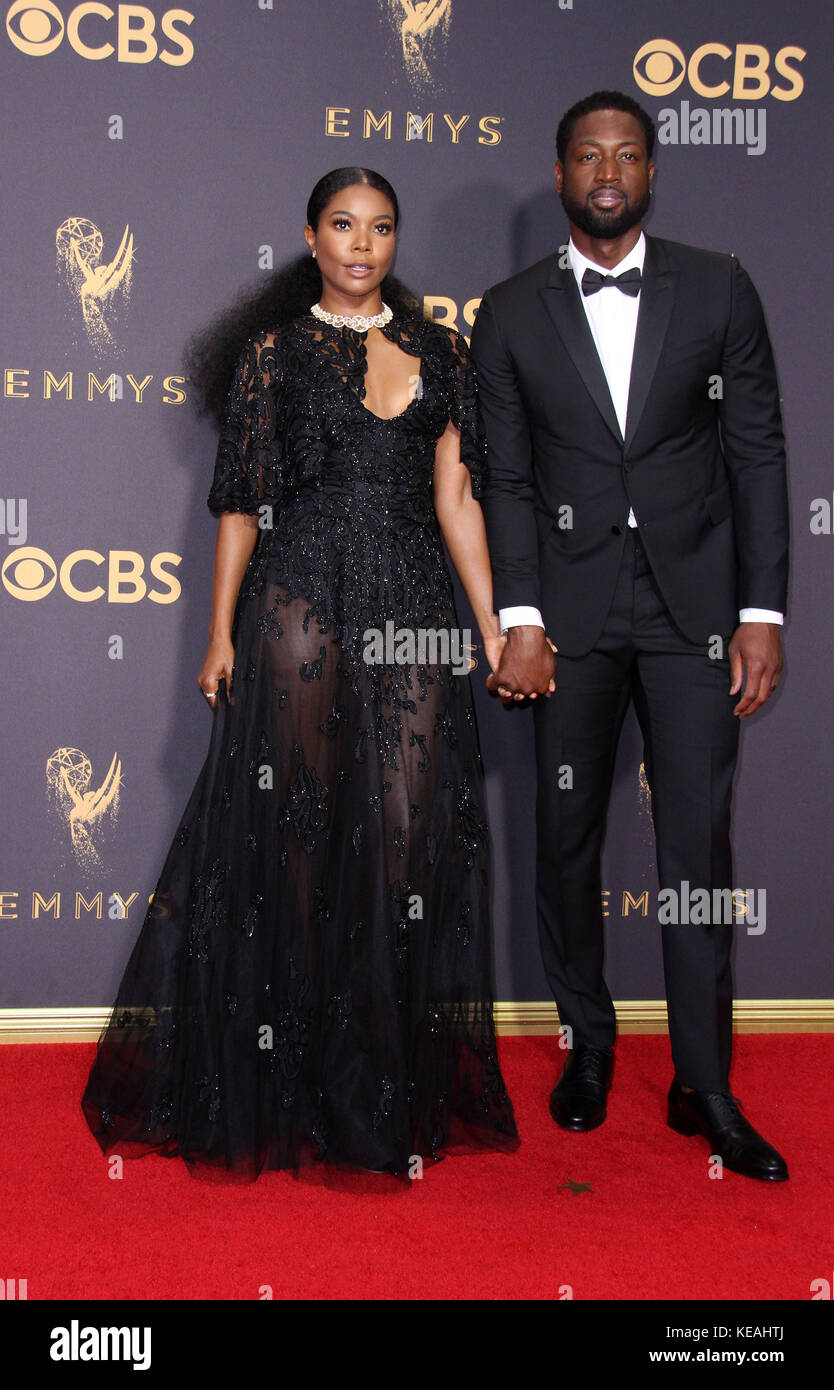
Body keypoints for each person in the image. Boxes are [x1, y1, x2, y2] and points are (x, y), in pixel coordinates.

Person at [81, 166, 518, 1180]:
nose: (363, 244)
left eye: (381, 227)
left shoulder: (445, 354)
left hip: (411, 604)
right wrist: (222, 632)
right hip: (300, 601)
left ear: (394, 242)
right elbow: (241, 504)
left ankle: (374, 1085)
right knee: (299, 843)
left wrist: (493, 626)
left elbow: (459, 504)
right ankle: (287, 1083)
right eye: (343, 225)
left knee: (408, 847)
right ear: (311, 237)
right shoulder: (272, 356)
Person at [470, 92, 789, 1182]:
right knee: (566, 840)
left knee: (698, 851)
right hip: (567, 615)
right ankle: (588, 1047)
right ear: (560, 174)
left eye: (628, 155)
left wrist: (761, 610)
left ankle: (706, 1084)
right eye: (588, 155)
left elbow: (757, 453)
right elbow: (503, 477)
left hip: (698, 615)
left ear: (651, 172)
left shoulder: (720, 284)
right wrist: (520, 617)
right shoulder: (509, 312)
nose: (608, 171)